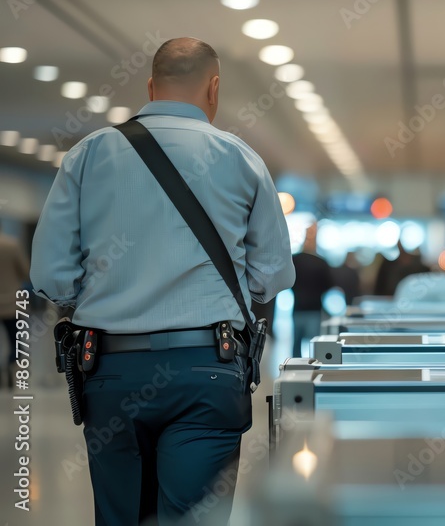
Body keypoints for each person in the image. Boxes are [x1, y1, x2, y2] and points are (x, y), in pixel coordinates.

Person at [30, 37, 295, 525]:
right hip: (209, 371)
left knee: (121, 515)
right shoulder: (240, 158)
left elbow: (50, 275)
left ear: (151, 87)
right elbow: (274, 275)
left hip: (110, 369)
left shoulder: (89, 154)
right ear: (214, 89)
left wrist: (102, 294)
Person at [291, 223, 336, 358]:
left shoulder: (294, 260)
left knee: (296, 344)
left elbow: (288, 282)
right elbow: (329, 285)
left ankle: (295, 367)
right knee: (315, 344)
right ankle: (315, 367)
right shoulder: (321, 262)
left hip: (298, 307)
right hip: (315, 309)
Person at [0, 228, 30, 388]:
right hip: (12, 302)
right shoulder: (12, 244)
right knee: (15, 341)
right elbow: (25, 271)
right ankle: (11, 366)